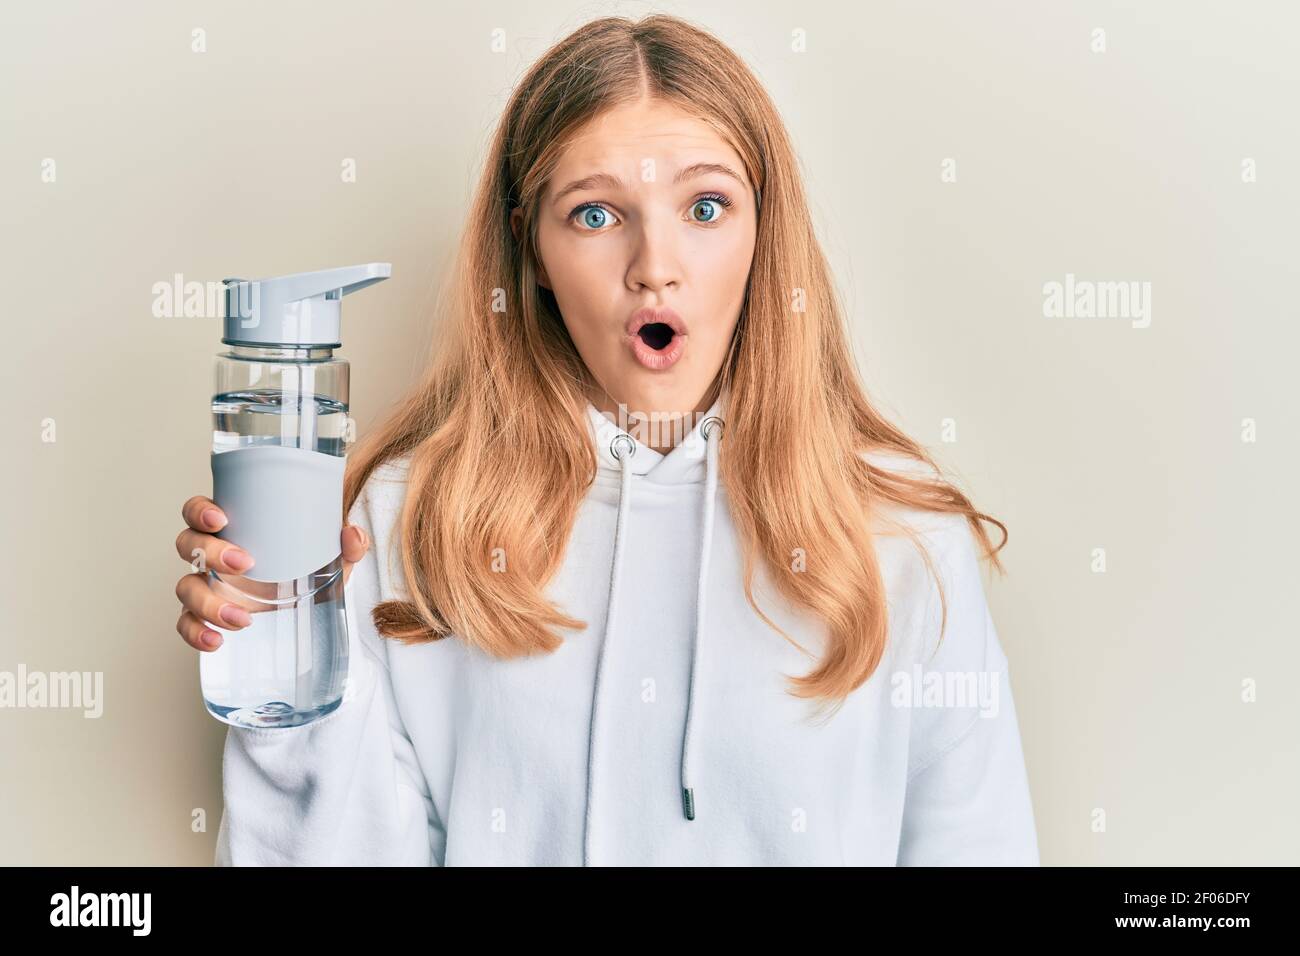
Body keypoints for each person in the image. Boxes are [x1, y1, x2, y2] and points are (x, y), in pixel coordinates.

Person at [174, 14, 1039, 866]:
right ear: (532, 255)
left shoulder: (901, 535)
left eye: (706, 206)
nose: (653, 264)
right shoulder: (405, 520)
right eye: (595, 216)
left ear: (762, 233)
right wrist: (284, 685)